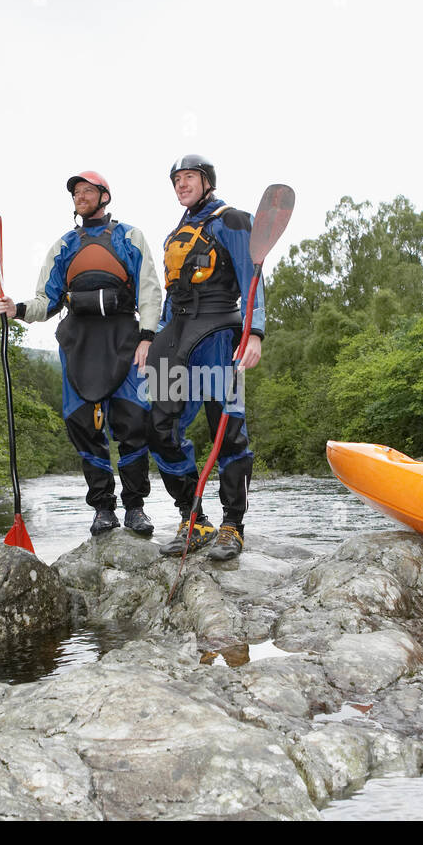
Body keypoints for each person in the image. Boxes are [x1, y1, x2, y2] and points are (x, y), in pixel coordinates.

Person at [0, 171, 161, 536]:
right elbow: (46, 301)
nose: (80, 196)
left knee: (133, 423)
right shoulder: (64, 245)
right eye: (76, 192)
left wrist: (148, 337)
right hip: (78, 342)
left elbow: (149, 290)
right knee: (81, 425)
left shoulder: (130, 237)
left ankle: (135, 507)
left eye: (87, 191)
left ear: (104, 197)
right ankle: (103, 508)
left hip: (124, 338)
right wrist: (15, 308)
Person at [147, 154, 263, 561]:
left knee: (227, 427)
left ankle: (233, 524)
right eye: (177, 179)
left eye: (189, 177)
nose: (182, 184)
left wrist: (255, 333)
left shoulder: (232, 220)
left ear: (207, 181)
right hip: (177, 334)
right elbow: (170, 293)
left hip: (218, 332)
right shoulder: (176, 233)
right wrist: (158, 340)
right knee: (160, 427)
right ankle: (193, 519)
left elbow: (252, 277)